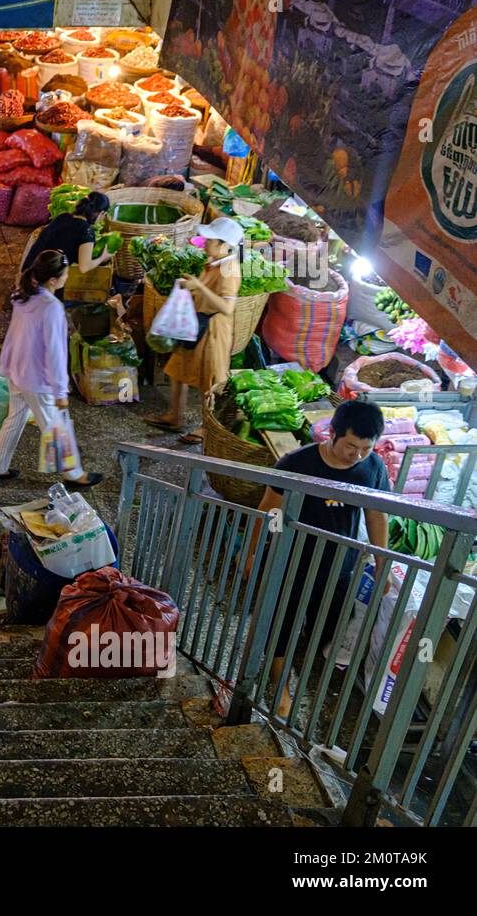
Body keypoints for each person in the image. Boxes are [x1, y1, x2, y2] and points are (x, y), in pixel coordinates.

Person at [247, 400, 390, 718]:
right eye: (351, 446)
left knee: (327, 621)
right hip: (292, 561)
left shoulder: (373, 467)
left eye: (366, 448)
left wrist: (383, 565)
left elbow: (376, 516)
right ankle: (280, 686)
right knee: (281, 622)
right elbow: (269, 506)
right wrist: (254, 551)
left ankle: (301, 669)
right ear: (332, 433)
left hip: (340, 564)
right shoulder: (297, 463)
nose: (358, 455)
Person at [0, 250, 103, 488]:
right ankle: (74, 474)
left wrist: (5, 366)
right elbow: (56, 353)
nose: (67, 277)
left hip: (17, 371)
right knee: (55, 425)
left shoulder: (22, 296)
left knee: (15, 418)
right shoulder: (51, 307)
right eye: (66, 274)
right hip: (36, 378)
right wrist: (60, 392)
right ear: (53, 280)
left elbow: (13, 335)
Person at [145, 217, 244, 443]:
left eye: (210, 240)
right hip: (197, 323)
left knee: (209, 381)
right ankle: (174, 416)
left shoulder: (229, 269)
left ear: (223, 244)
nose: (204, 243)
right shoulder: (212, 263)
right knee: (178, 369)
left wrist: (198, 286)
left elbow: (227, 307)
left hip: (214, 329)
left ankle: (207, 428)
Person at [21, 191, 114, 275]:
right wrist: (103, 257)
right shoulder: (86, 231)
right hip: (43, 279)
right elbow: (84, 267)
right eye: (104, 215)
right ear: (100, 213)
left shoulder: (63, 217)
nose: (102, 219)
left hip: (28, 272)